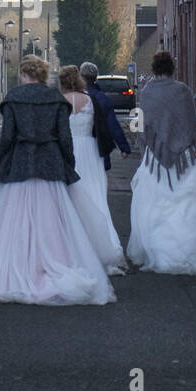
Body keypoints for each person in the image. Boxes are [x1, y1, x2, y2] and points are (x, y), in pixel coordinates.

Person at [0, 55, 116, 306]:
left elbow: (8, 137)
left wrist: (2, 163)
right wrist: (68, 164)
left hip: (20, 165)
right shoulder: (56, 100)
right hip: (50, 165)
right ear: (43, 75)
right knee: (53, 224)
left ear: (23, 74)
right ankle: (50, 265)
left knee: (11, 223)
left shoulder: (13, 99)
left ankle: (12, 265)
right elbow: (65, 138)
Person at [127, 50, 196, 275]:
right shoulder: (183, 90)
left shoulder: (148, 92)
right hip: (184, 157)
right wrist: (192, 146)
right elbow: (190, 124)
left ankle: (158, 248)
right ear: (172, 68)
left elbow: (141, 122)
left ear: (154, 69)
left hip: (155, 158)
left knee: (154, 203)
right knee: (190, 203)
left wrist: (142, 142)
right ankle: (192, 247)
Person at [60, 64, 126, 274]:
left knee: (71, 198)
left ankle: (72, 246)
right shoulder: (91, 100)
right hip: (90, 152)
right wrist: (120, 146)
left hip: (70, 151)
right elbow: (106, 125)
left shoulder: (61, 102)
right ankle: (102, 244)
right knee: (95, 196)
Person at [79, 61, 131, 169]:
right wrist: (123, 147)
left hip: (79, 148)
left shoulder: (75, 97)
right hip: (99, 147)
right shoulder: (101, 98)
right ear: (95, 78)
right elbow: (112, 124)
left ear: (81, 76)